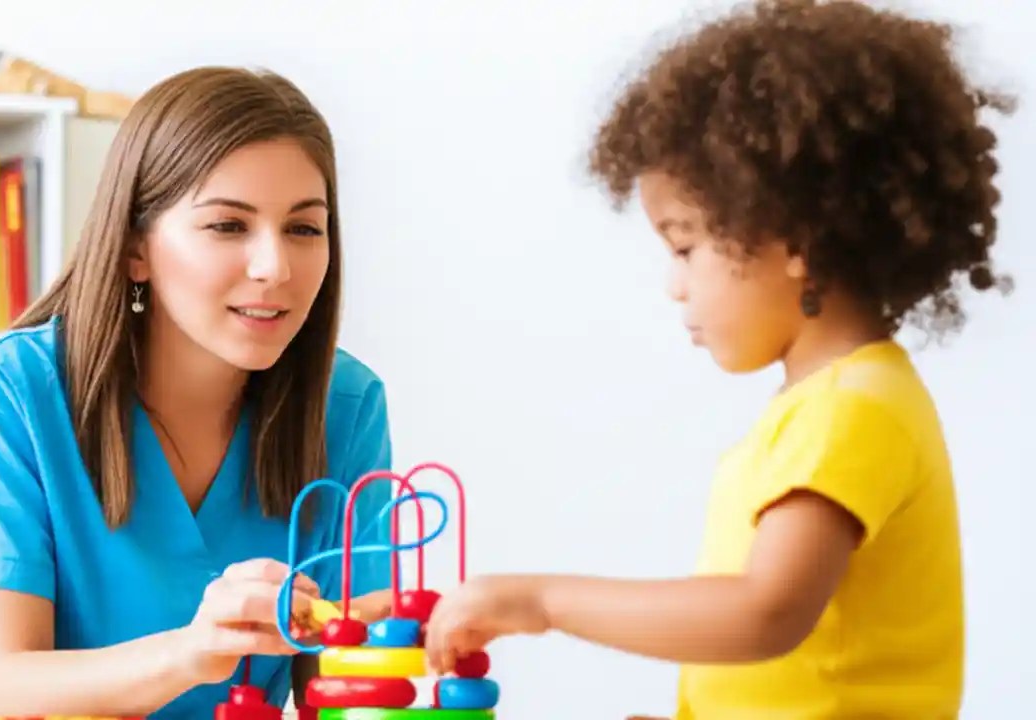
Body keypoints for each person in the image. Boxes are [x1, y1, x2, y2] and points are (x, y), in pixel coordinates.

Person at [422, 1, 1016, 718]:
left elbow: (766, 613)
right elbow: (803, 660)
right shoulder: (834, 402)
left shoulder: (852, 412)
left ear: (795, 240)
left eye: (685, 247)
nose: (674, 286)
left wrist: (543, 601)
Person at [0, 66, 395, 719]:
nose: (274, 267)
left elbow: (341, 688)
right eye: (228, 225)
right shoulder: (11, 390)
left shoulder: (347, 409)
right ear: (137, 247)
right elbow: (2, 687)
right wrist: (192, 652)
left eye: (304, 229)